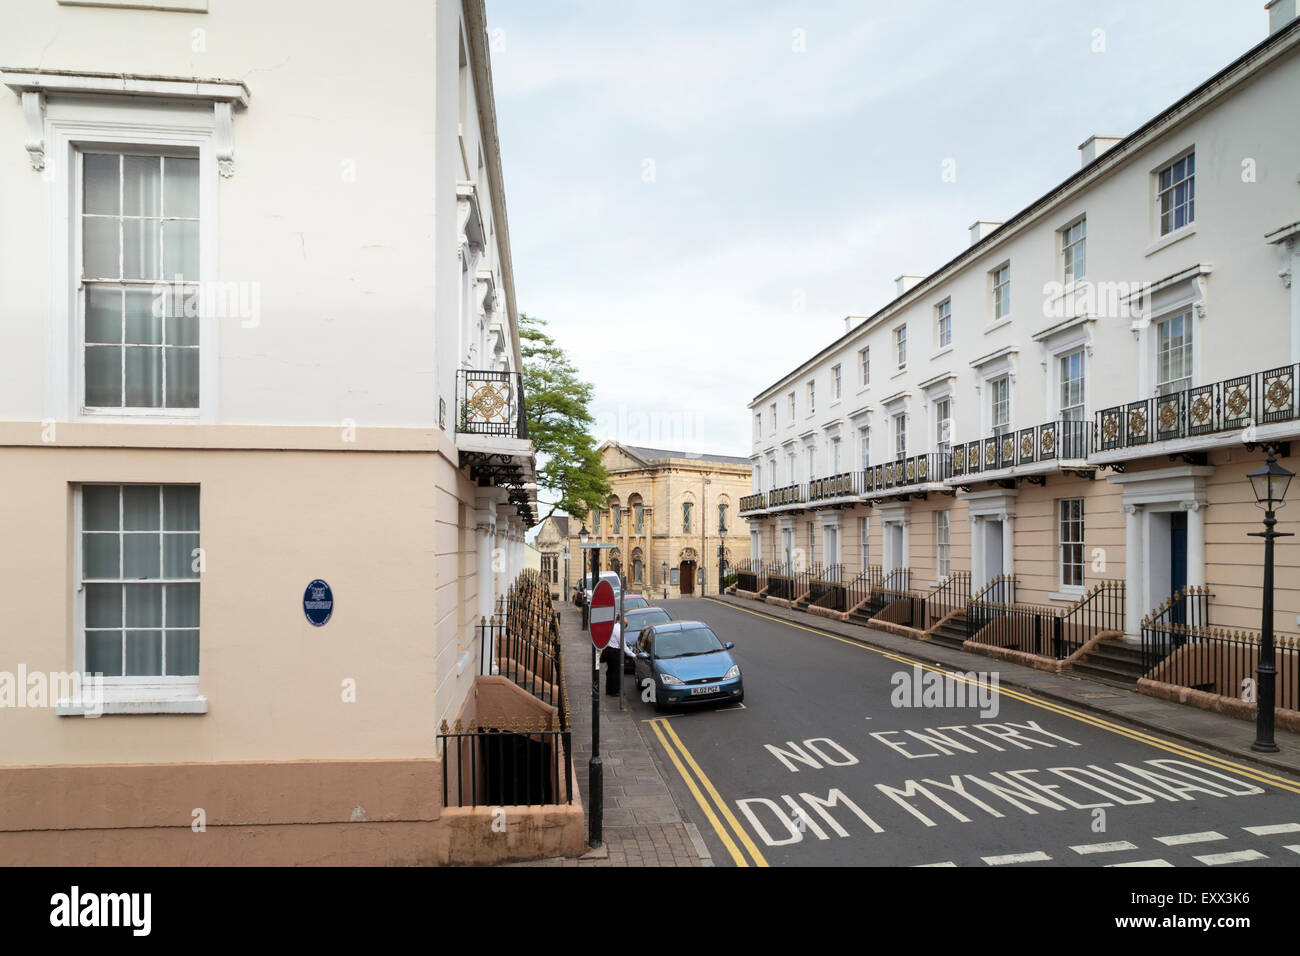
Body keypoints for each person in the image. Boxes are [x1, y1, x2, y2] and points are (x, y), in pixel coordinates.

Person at [600, 621, 623, 697]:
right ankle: (614, 691)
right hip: (614, 652)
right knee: (615, 672)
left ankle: (609, 690)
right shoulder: (619, 630)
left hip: (608, 650)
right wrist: (633, 655)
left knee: (609, 671)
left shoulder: (612, 627)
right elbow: (623, 645)